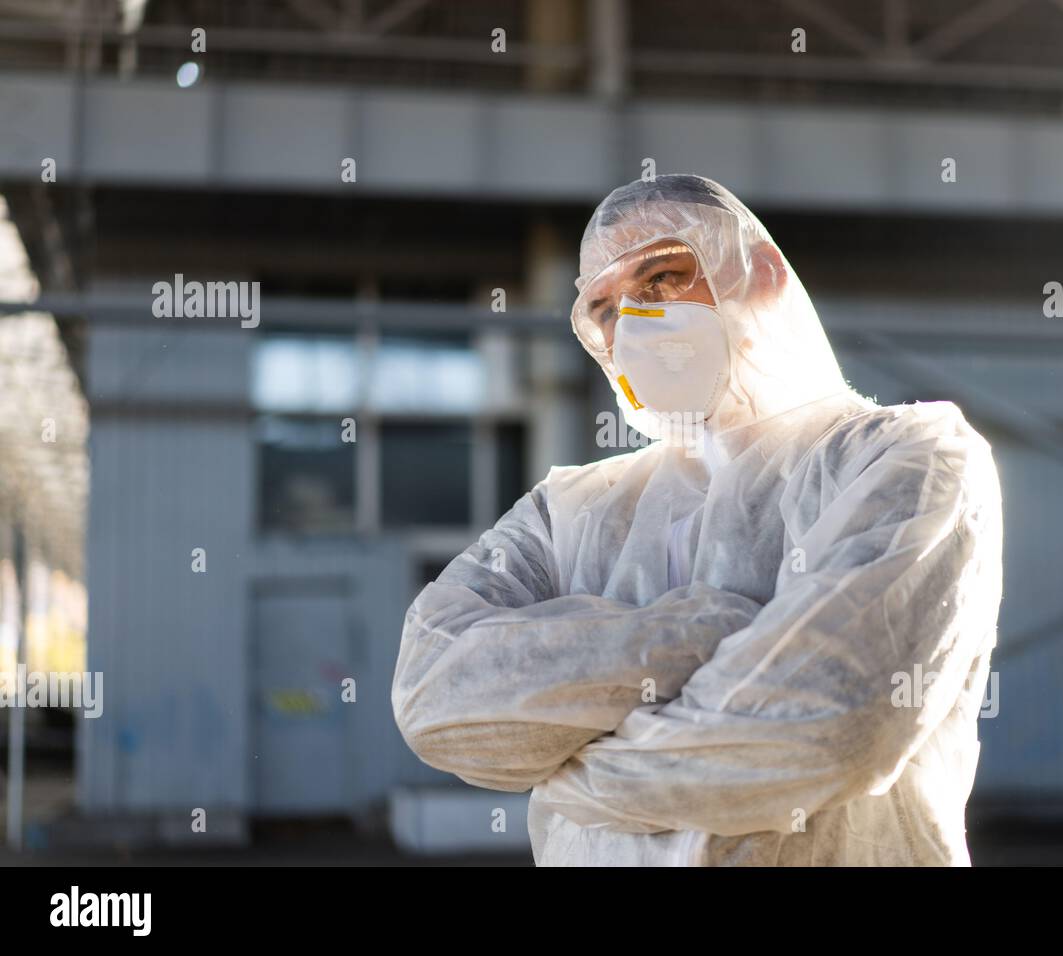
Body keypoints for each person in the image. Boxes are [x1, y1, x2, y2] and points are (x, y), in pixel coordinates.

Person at [391, 174, 1003, 866]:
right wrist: (711, 629)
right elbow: (436, 695)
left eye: (661, 278)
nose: (633, 321)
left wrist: (568, 776)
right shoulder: (570, 509)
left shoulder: (909, 460)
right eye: (607, 307)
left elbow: (830, 726)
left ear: (761, 276)